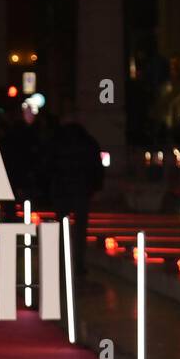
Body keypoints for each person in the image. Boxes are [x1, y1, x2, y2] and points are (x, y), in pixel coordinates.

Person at [44, 107, 103, 277]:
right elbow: (96, 167)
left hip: (61, 190)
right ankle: (78, 264)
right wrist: (95, 187)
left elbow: (47, 164)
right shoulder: (88, 141)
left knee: (62, 228)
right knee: (80, 230)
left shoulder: (56, 140)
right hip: (82, 191)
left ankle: (62, 263)